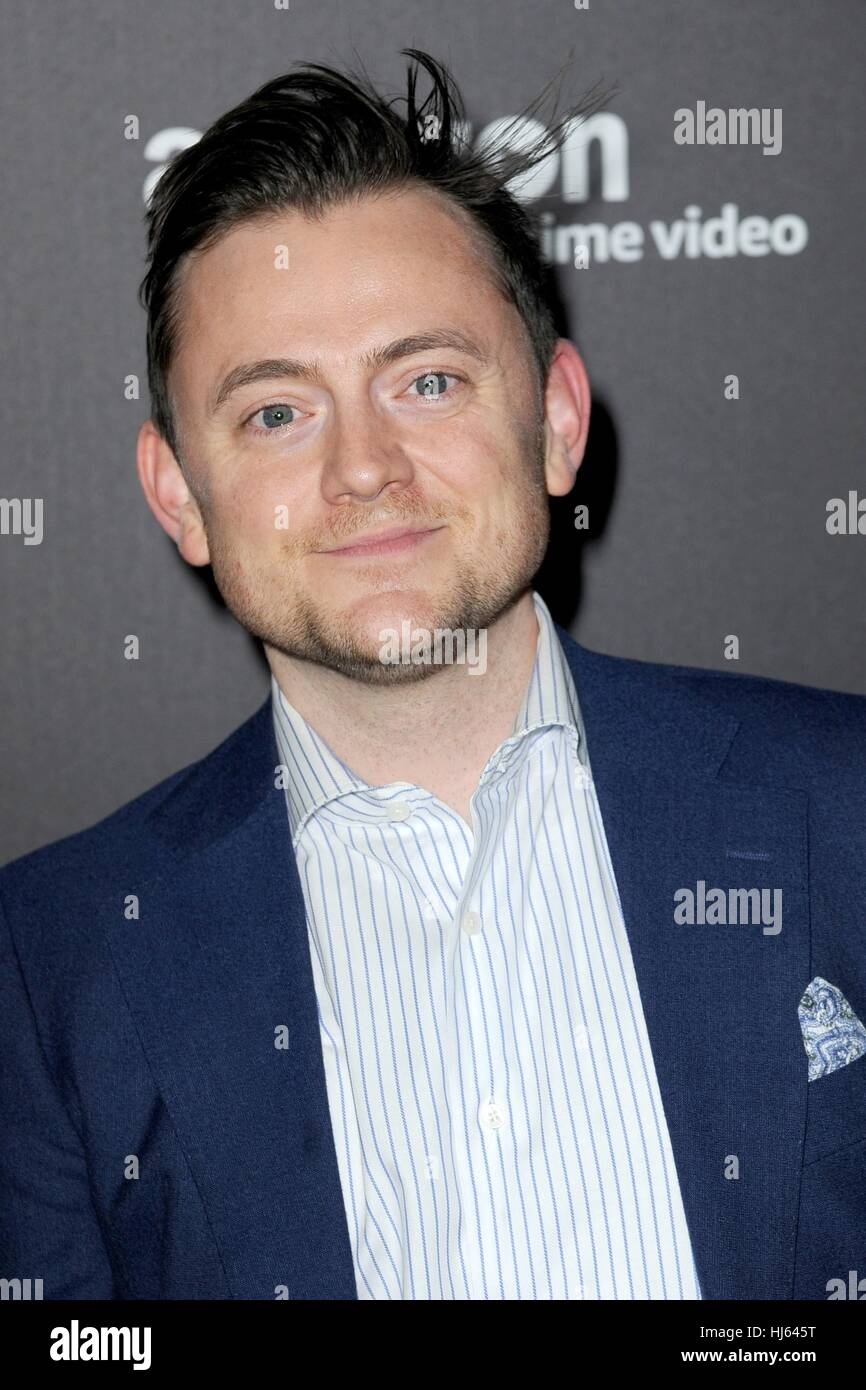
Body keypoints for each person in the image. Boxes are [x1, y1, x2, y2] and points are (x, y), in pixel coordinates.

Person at [1, 50, 864, 1302]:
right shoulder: (46, 964)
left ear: (558, 422)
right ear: (178, 493)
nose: (364, 467)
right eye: (276, 412)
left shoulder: (841, 812)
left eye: (428, 381)